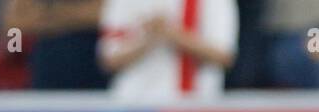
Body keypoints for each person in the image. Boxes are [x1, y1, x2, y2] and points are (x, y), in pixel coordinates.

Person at [98, 0, 238, 99]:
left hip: (193, 104)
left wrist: (170, 33)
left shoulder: (214, 2)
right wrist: (149, 39)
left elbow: (224, 57)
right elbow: (109, 59)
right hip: (133, 102)